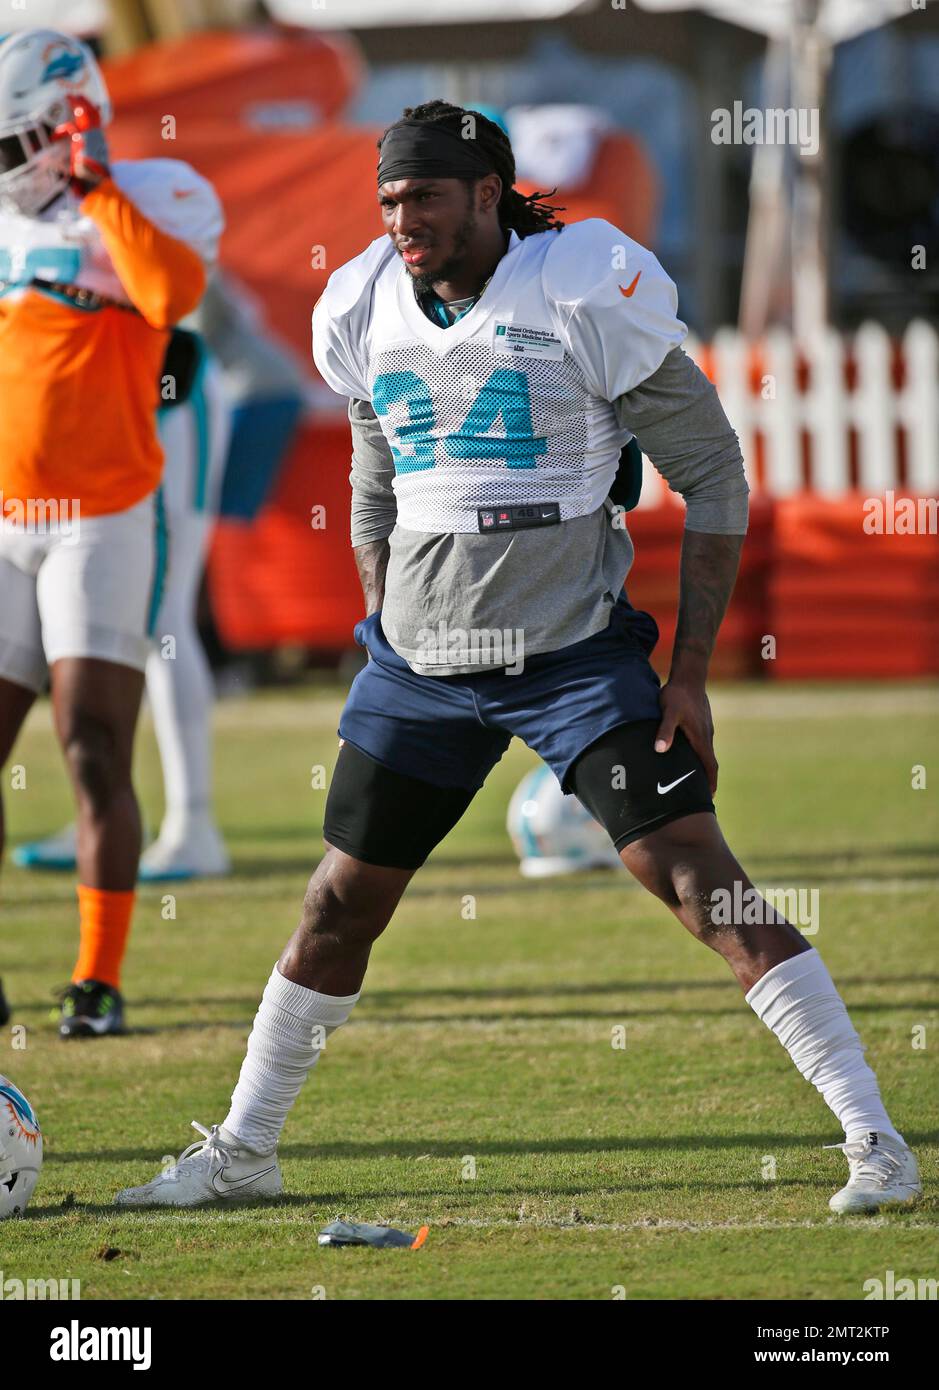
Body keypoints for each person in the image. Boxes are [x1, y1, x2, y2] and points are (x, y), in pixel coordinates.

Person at [116, 101, 919, 1214]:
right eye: (388, 199)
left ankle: (875, 1139)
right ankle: (245, 1152)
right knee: (337, 904)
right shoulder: (364, 301)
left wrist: (689, 673)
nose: (403, 219)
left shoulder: (580, 286)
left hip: (572, 655)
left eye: (426, 196)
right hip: (422, 664)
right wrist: (379, 620)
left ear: (488, 193)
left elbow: (715, 474)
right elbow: (373, 475)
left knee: (699, 881)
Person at [0, 29, 222, 1035]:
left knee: (92, 746)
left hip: (100, 518)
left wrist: (94, 185)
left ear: (70, 122)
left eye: (16, 144)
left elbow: (172, 295)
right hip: (7, 517)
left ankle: (97, 977)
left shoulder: (154, 194)